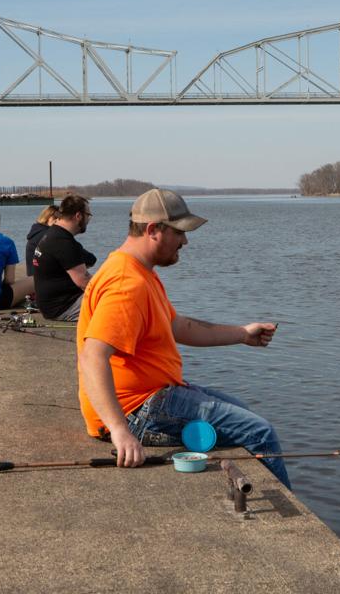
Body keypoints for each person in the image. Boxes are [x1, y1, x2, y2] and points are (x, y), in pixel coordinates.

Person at [76, 188, 290, 488]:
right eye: (179, 232)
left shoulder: (139, 271)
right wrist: (119, 430)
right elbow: (92, 356)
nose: (185, 241)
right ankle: (279, 515)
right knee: (259, 433)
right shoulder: (127, 284)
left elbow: (178, 326)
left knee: (246, 415)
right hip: (137, 410)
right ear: (153, 230)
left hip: (155, 395)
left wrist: (243, 334)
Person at [32, 193, 97, 321]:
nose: (88, 220)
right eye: (88, 215)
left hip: (51, 304)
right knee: (118, 302)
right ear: (78, 216)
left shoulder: (53, 233)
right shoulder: (63, 242)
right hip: (65, 307)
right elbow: (85, 282)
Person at [24, 204, 60, 277]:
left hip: (33, 274)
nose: (58, 220)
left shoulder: (37, 231)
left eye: (60, 218)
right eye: (55, 217)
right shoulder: (47, 234)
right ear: (47, 217)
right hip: (41, 277)